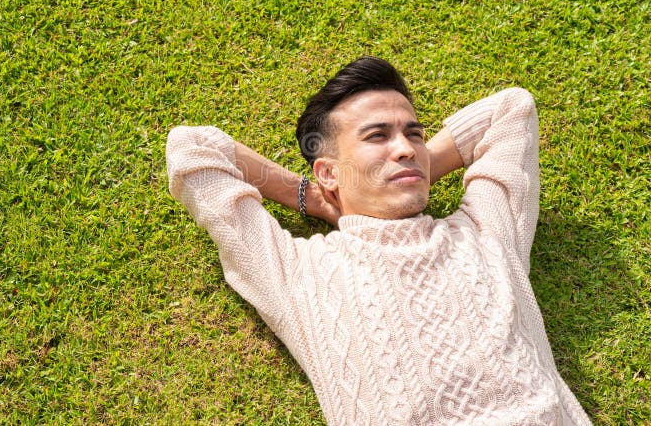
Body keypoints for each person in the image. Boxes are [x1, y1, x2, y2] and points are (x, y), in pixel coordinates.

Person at [166, 56, 592, 425]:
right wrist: (314, 197)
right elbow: (192, 147)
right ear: (328, 171)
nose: (406, 147)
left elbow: (511, 110)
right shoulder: (297, 275)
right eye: (377, 136)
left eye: (414, 134)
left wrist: (407, 170)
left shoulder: (488, 231)